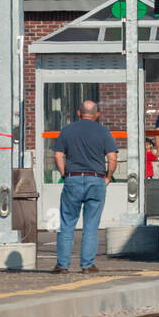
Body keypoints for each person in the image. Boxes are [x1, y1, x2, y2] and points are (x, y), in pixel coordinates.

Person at [52, 100, 117, 274]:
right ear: (97, 115)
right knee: (91, 225)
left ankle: (62, 265)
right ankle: (87, 265)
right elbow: (112, 158)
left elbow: (58, 155)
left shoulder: (67, 130)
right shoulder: (103, 132)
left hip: (73, 179)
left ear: (79, 113)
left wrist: (64, 174)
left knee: (67, 224)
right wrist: (108, 177)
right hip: (96, 180)